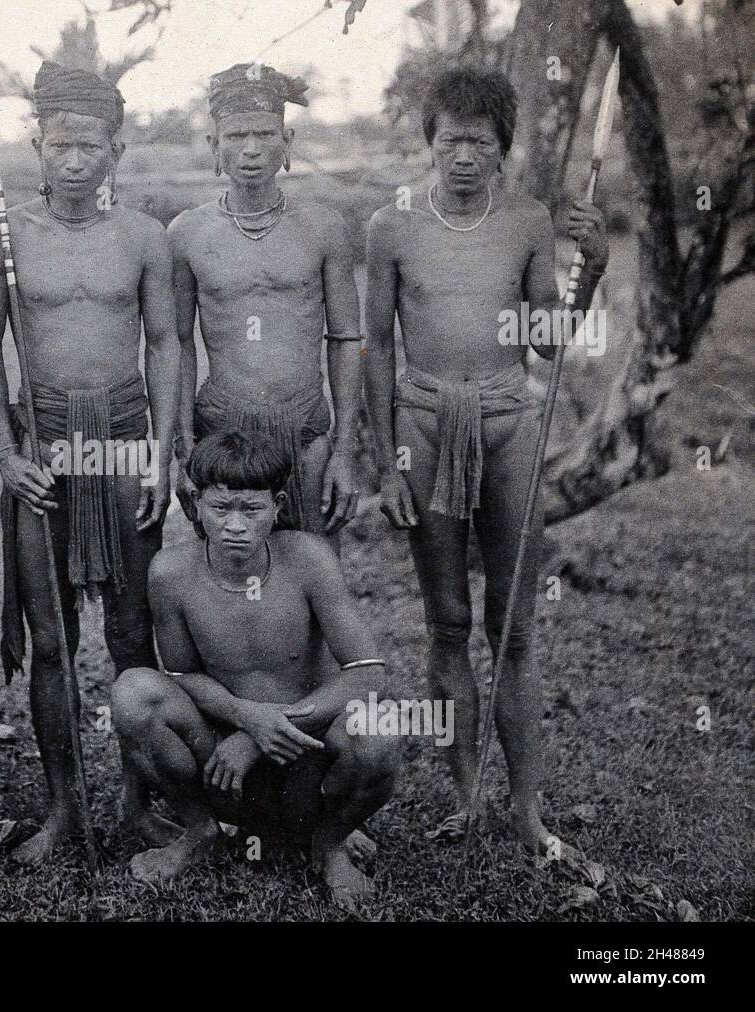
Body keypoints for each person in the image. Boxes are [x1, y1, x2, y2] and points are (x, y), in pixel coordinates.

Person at [363, 66, 609, 856]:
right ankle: (465, 800)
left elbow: (546, 338)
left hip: (508, 419)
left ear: (503, 149)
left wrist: (591, 271)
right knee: (448, 625)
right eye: (450, 139)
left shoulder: (529, 222)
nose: (464, 155)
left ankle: (527, 811)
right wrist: (386, 462)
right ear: (429, 142)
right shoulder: (391, 227)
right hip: (425, 419)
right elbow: (373, 349)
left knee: (516, 627)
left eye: (480, 141)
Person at [0, 61, 181, 862]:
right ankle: (63, 809)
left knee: (132, 632)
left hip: (123, 435)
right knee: (51, 636)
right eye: (61, 145)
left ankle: (138, 802)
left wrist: (162, 450)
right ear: (37, 145)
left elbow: (165, 343)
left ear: (116, 149)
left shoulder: (143, 236)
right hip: (44, 441)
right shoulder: (5, 233)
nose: (77, 160)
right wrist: (6, 451)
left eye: (92, 145)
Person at [111, 431, 399, 902]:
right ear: (195, 501)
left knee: (380, 730)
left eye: (251, 509)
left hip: (306, 765)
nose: (235, 526)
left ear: (278, 504)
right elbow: (182, 678)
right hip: (224, 772)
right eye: (220, 508)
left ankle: (328, 846)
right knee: (134, 692)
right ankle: (200, 831)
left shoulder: (308, 557)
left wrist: (262, 732)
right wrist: (244, 719)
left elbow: (368, 671)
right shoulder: (169, 572)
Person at [170, 63, 363, 538]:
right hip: (220, 433)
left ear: (287, 142)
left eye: (264, 134)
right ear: (215, 146)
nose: (251, 150)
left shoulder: (323, 228)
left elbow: (345, 339)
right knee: (227, 572)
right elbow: (175, 346)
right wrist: (183, 448)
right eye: (236, 136)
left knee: (314, 569)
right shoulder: (187, 234)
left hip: (305, 429)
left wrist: (342, 452)